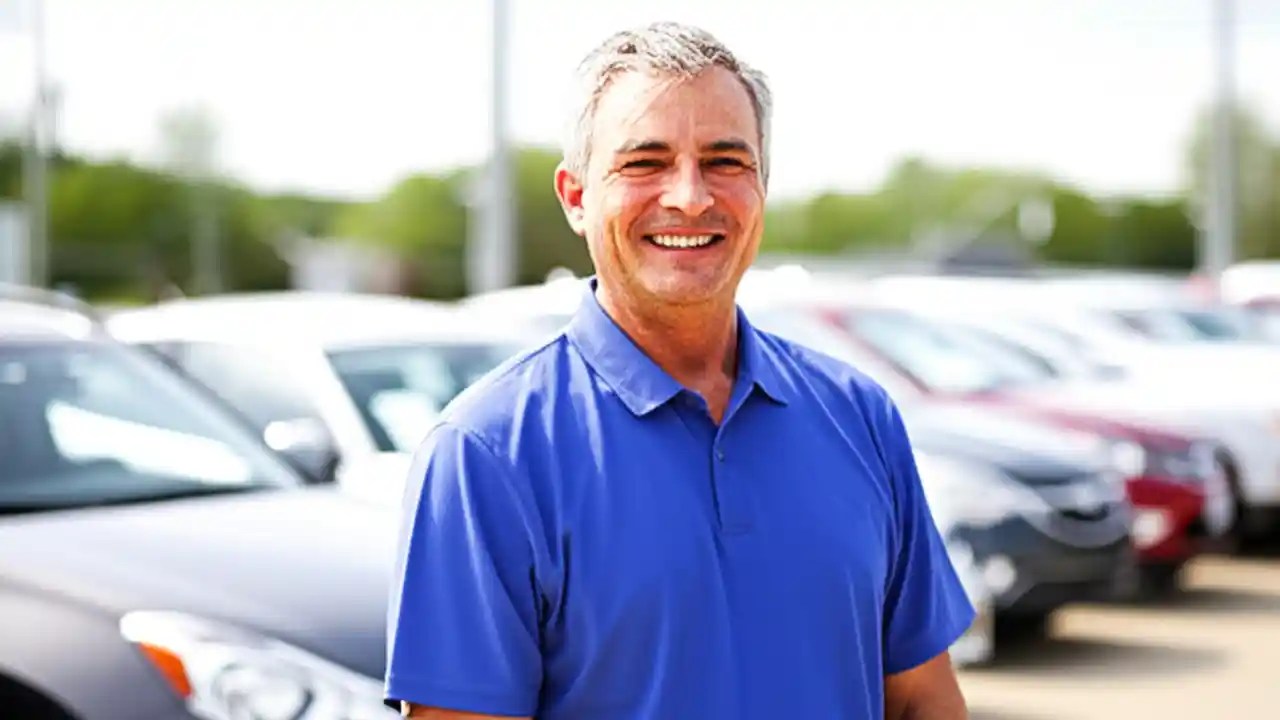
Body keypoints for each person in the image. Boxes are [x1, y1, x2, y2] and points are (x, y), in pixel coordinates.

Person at [385, 21, 975, 720]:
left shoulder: (861, 417)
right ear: (576, 197)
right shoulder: (484, 455)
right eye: (645, 162)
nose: (690, 197)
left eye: (726, 161)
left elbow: (923, 700)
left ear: (762, 188)